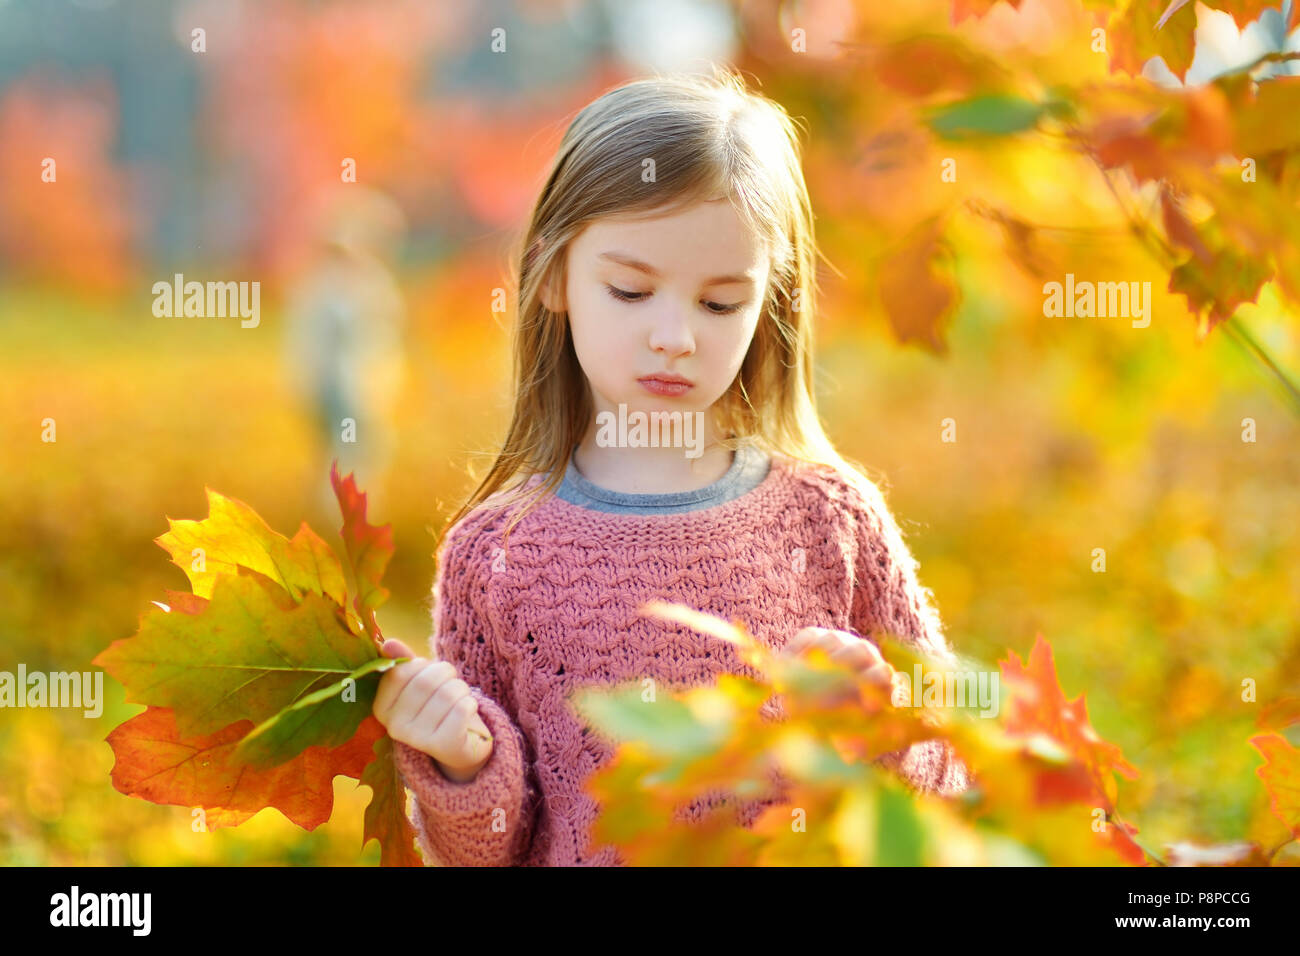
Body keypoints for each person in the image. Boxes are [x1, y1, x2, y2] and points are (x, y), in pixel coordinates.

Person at [371, 66, 969, 867]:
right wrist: (462, 762)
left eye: (720, 303)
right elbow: (485, 852)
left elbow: (949, 772)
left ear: (771, 305)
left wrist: (881, 723)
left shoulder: (833, 519)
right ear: (553, 275)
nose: (675, 336)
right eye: (630, 290)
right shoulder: (499, 552)